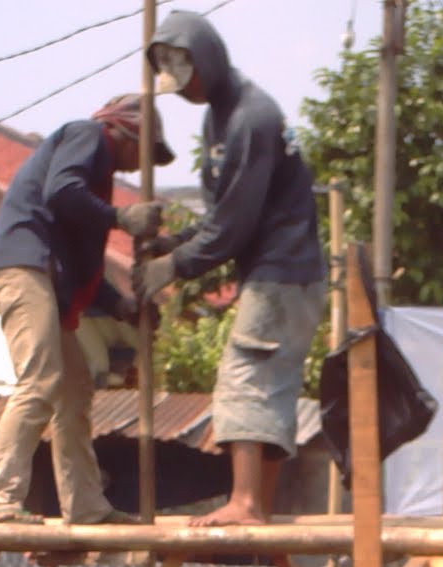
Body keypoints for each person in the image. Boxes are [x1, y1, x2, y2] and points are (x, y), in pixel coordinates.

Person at [138, 13, 325, 527]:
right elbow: (221, 214)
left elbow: (235, 226)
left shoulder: (251, 117)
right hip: (282, 274)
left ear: (208, 58)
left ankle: (245, 503)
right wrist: (172, 243)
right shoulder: (219, 117)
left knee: (245, 378)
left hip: (282, 272)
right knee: (268, 384)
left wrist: (173, 266)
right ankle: (255, 506)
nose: (182, 92)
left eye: (186, 78)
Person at [0, 93, 173, 527]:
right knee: (41, 379)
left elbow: (84, 270)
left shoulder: (93, 188)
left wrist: (122, 306)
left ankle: (84, 505)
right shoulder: (87, 136)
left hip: (43, 276)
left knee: (75, 388)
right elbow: (62, 193)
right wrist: (123, 219)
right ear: (126, 131)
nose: (143, 167)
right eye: (146, 151)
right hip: (22, 268)